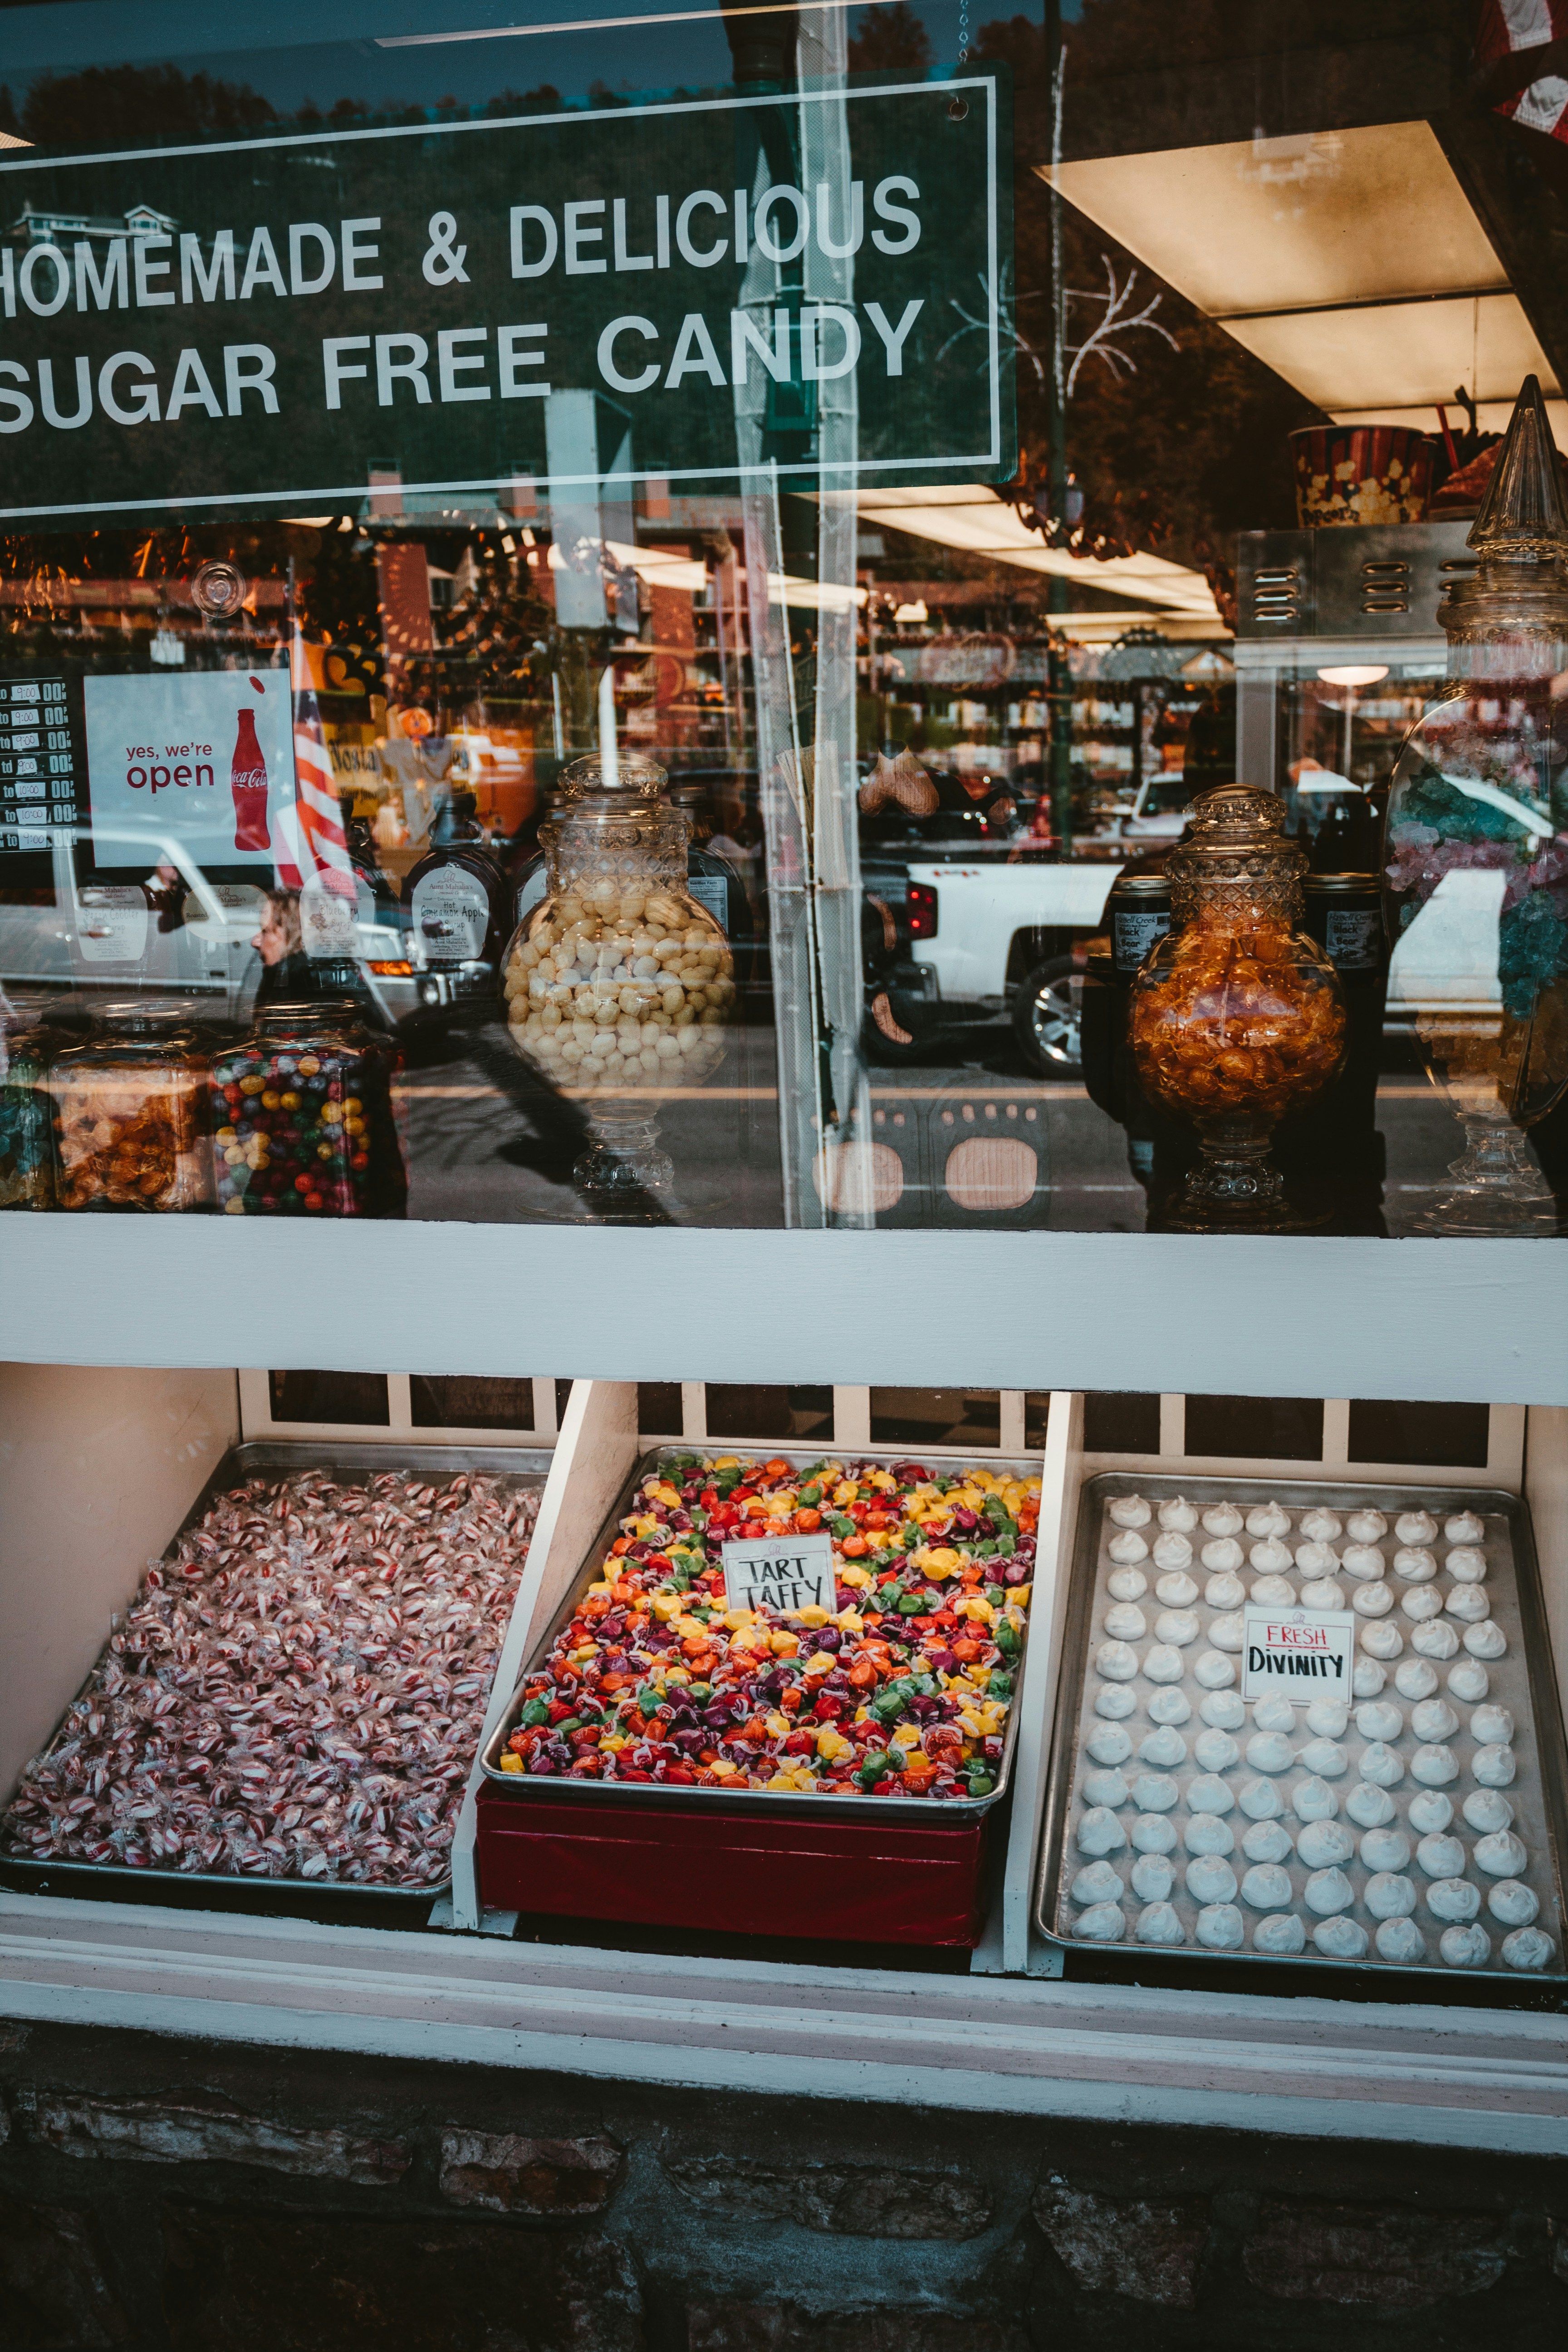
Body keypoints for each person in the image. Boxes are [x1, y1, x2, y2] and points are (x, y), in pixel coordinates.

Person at [251, 889, 314, 1004]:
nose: (255, 942)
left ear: (296, 937)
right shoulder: (281, 979)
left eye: (266, 931)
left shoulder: (296, 989)